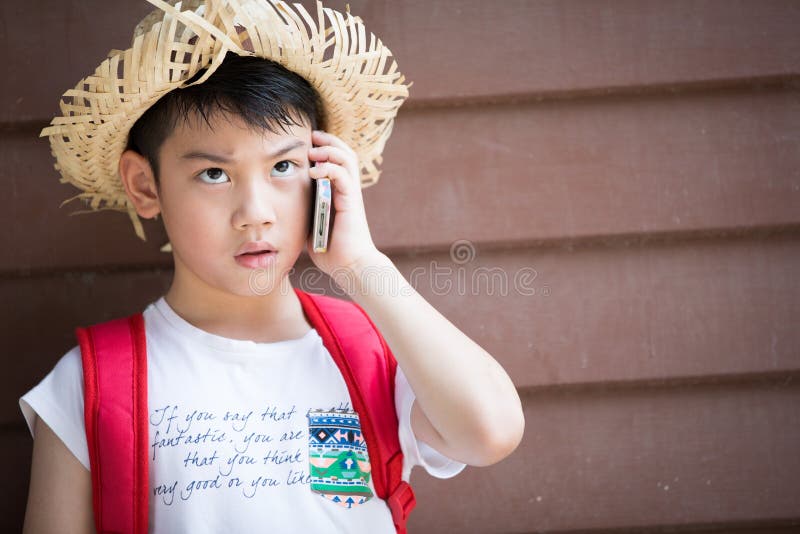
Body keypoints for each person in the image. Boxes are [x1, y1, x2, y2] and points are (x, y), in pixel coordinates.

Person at [20, 1, 525, 532]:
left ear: (323, 174)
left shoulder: (375, 352)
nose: (255, 214)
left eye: (284, 166)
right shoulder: (90, 383)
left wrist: (359, 264)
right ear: (146, 185)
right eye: (214, 174)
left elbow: (490, 432)